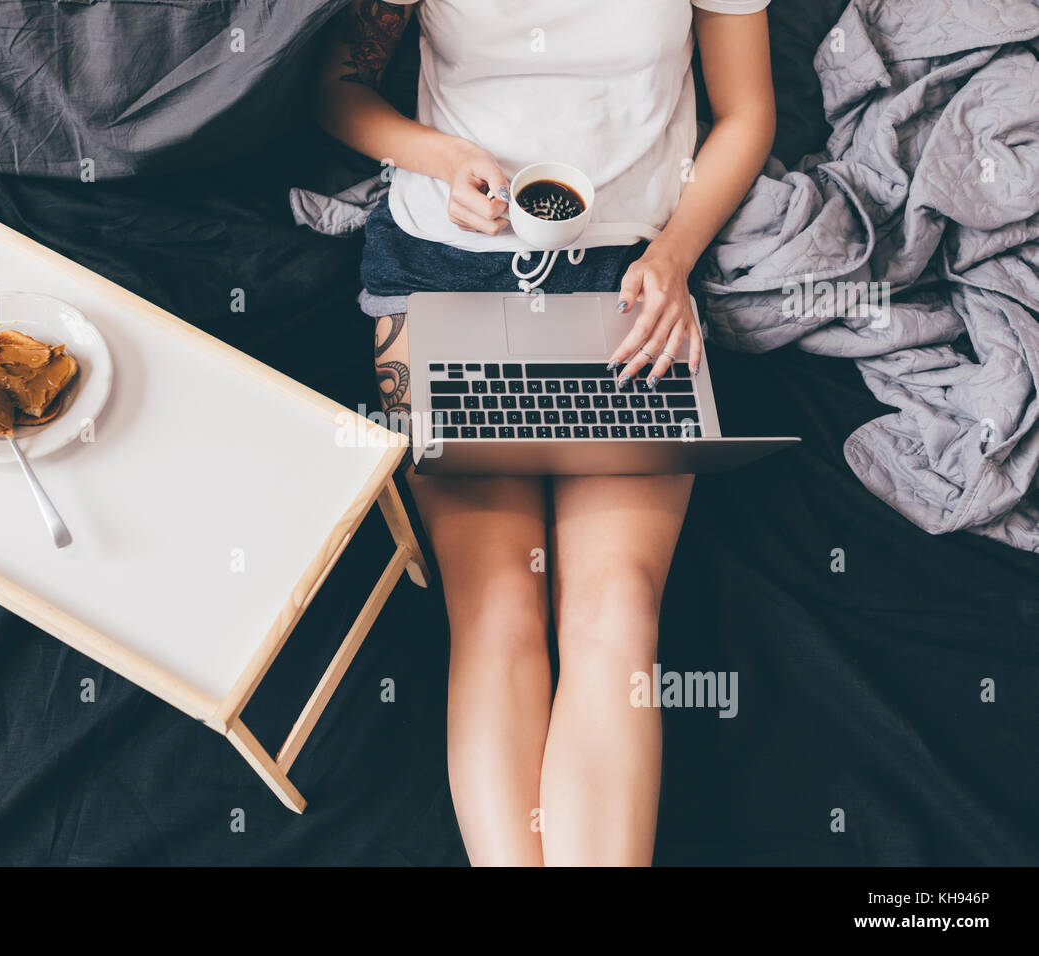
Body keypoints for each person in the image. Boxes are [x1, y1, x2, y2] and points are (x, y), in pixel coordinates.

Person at [315, 0, 774, 865]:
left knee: (620, 612)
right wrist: (442, 157)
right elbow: (335, 88)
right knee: (493, 609)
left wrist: (674, 256)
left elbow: (747, 111)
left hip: (629, 280)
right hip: (441, 270)